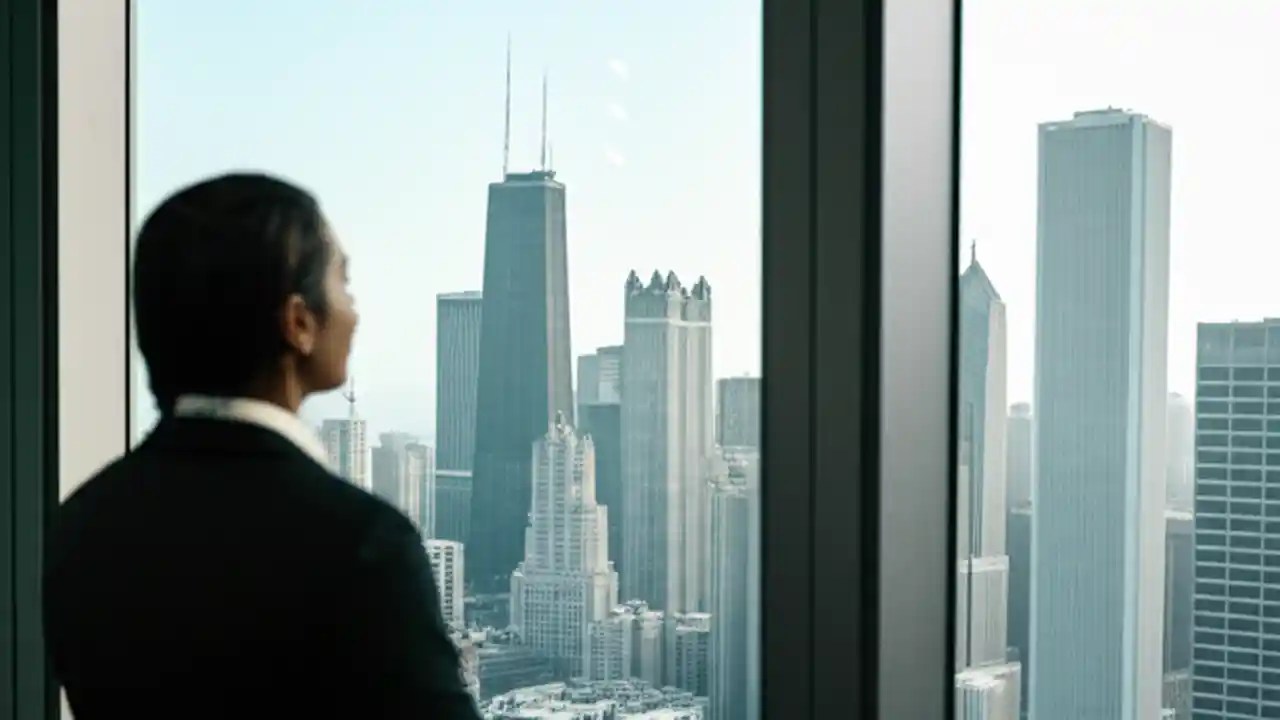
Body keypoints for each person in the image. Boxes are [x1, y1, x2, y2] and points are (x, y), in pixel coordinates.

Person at [43, 173, 481, 719]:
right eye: (343, 283)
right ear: (299, 323)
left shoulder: (80, 528)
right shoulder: (360, 547)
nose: (355, 312)